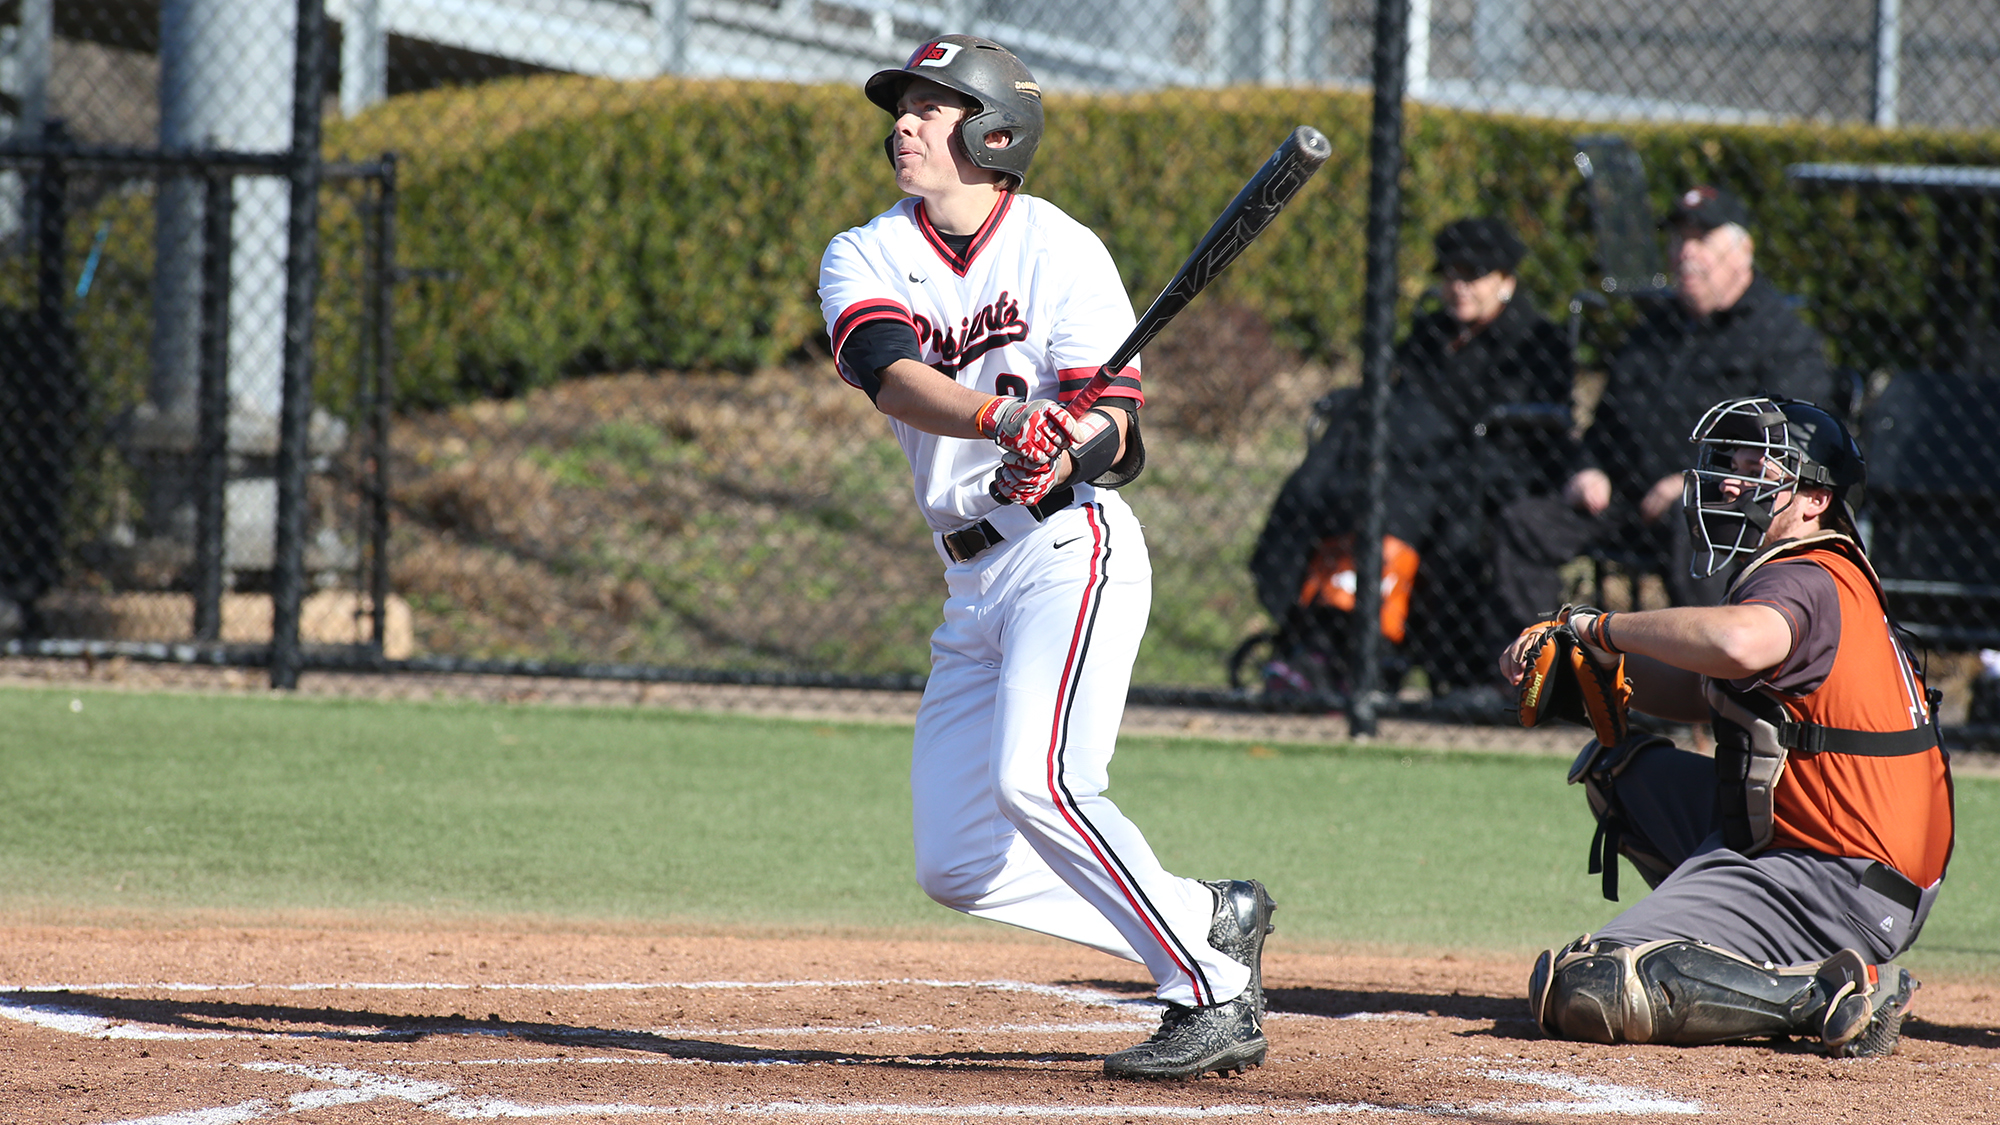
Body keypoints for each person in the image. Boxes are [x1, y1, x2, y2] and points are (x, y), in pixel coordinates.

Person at [817, 35, 1276, 1081]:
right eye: (904, 109)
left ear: (994, 132)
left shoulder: (1063, 249)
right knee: (957, 863)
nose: (904, 125)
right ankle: (1204, 917)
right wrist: (1003, 418)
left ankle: (1206, 990)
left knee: (1043, 781)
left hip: (1067, 551)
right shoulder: (863, 252)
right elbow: (888, 373)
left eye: (931, 109)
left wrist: (1064, 442)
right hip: (967, 578)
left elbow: (1116, 426)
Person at [1501, 396, 1953, 1058]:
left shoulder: (1806, 575)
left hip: (1837, 876)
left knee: (1594, 986)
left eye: (1762, 467)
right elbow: (1707, 689)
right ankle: (1729, 942)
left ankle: (1818, 986)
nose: (1735, 480)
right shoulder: (1813, 570)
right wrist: (1587, 673)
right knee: (1620, 768)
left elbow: (1740, 644)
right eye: (1732, 463)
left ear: (1814, 500)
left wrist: (1603, 627)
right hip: (1825, 849)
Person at [1245, 217, 1572, 708]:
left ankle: (1363, 651)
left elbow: (1530, 433)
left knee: (1396, 504)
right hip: (1412, 466)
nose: (1457, 287)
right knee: (1336, 490)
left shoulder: (1535, 341)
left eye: (1472, 276)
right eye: (1449, 275)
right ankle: (1324, 639)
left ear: (1506, 280)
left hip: (1486, 469)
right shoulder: (1428, 334)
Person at [1500, 185, 1832, 614]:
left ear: (1742, 251)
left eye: (1701, 240)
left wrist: (1695, 480)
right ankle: (1535, 671)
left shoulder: (1782, 337)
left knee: (1696, 519)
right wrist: (1588, 470)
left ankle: (1708, 675)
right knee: (1526, 525)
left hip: (1721, 505)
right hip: (1627, 499)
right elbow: (1605, 428)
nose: (1684, 252)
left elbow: (1787, 441)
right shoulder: (1651, 332)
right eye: (1678, 240)